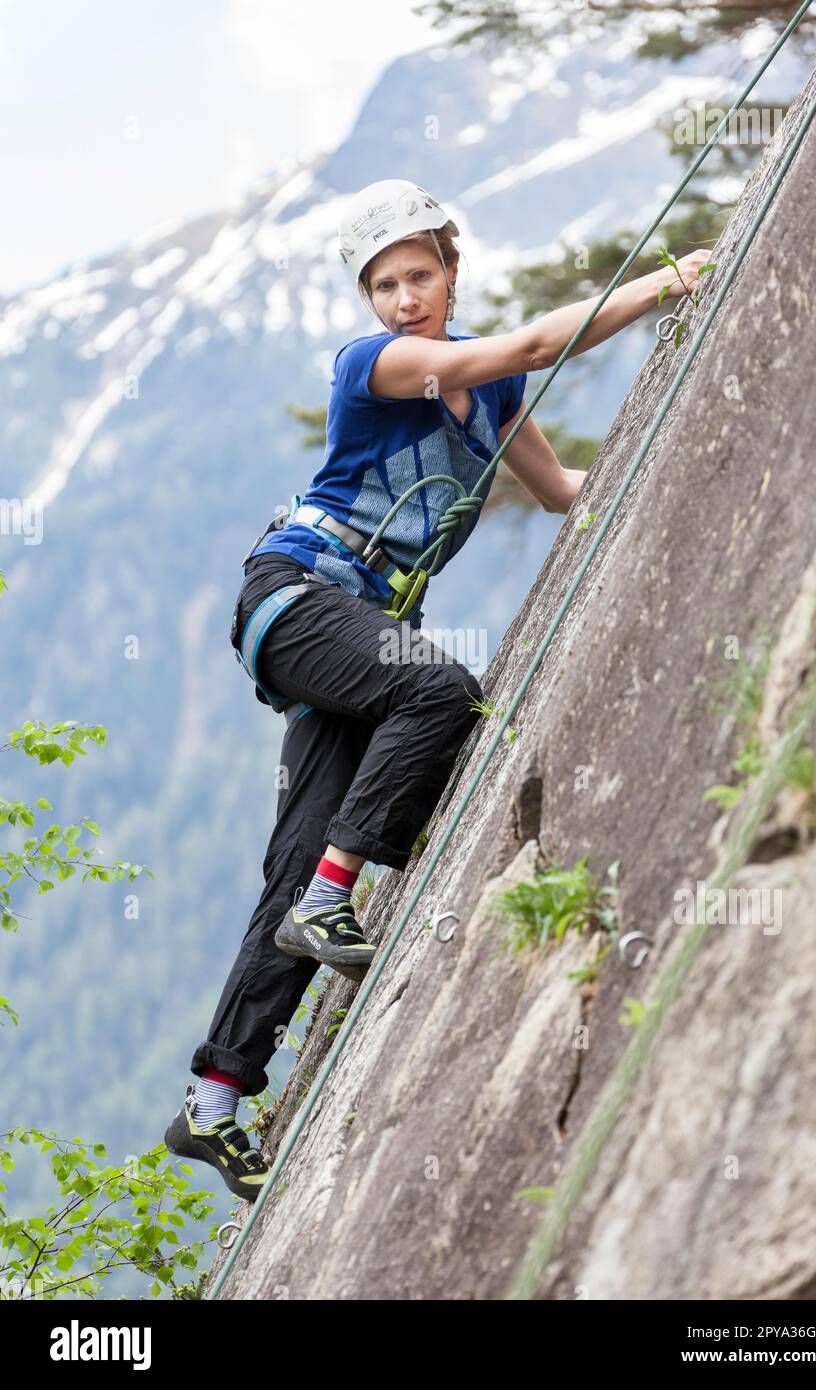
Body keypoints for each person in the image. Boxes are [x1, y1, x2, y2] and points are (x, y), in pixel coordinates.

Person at [164, 179, 711, 1199]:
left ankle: (216, 1100)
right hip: (296, 596)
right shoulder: (376, 365)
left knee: (294, 867)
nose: (402, 298)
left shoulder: (491, 404)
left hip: (349, 634)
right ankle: (335, 900)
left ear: (449, 272)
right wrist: (663, 285)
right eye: (383, 283)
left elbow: (563, 495)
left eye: (418, 276)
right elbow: (524, 350)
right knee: (439, 691)